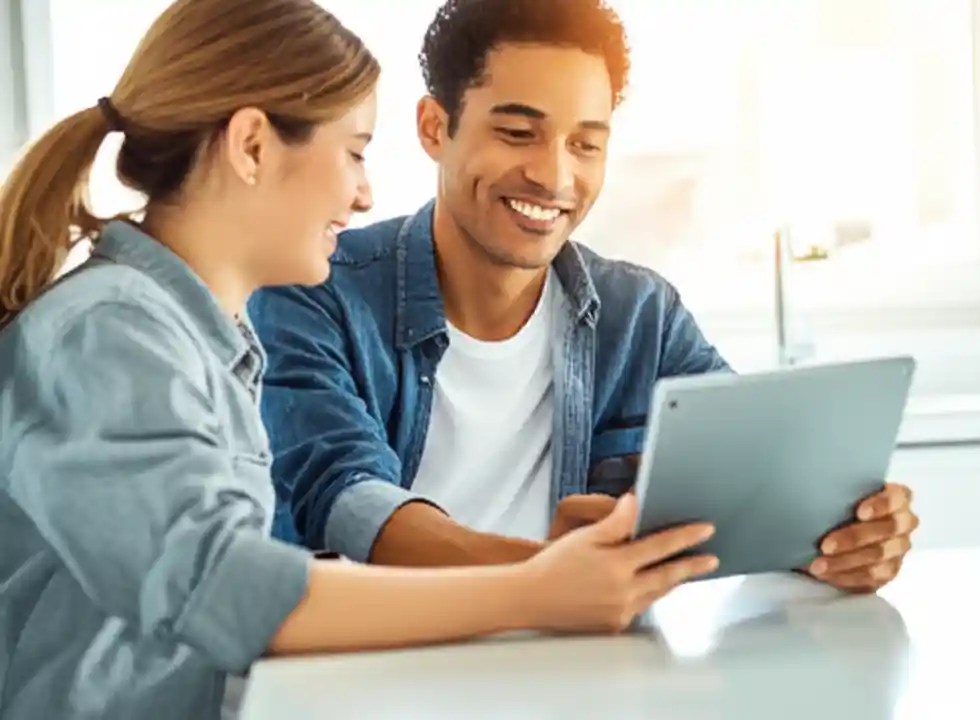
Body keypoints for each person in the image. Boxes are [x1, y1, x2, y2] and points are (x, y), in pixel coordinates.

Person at [0, 1, 718, 718]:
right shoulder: (107, 333)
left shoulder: (200, 341)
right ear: (251, 146)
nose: (367, 190)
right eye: (354, 151)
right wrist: (536, 587)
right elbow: (222, 585)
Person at [251, 0, 918, 593]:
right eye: (517, 133)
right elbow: (343, 496)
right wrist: (548, 574)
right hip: (364, 676)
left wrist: (837, 538)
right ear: (434, 127)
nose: (554, 175)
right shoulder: (314, 292)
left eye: (585, 143)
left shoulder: (641, 316)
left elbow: (751, 487)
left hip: (570, 667)